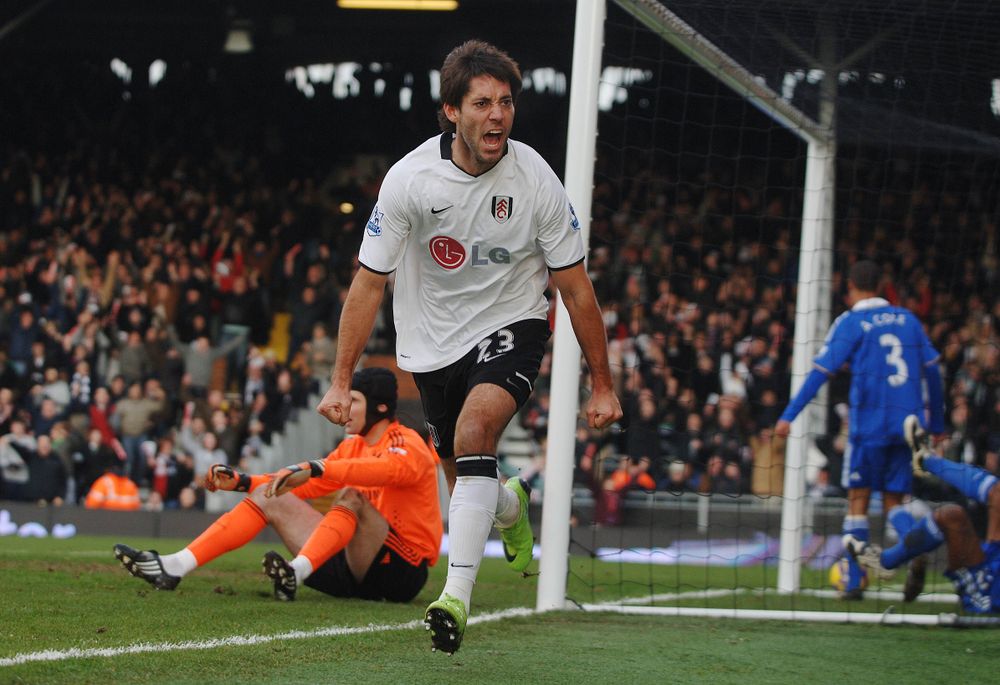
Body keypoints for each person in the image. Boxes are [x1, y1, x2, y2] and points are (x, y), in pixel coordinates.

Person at [314, 40, 623, 654]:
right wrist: (340, 379)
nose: (498, 116)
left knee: (476, 433)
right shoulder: (409, 180)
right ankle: (510, 507)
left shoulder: (535, 178)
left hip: (514, 323)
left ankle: (454, 597)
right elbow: (370, 281)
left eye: (506, 102)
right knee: (467, 479)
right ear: (451, 111)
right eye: (482, 103)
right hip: (432, 346)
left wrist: (602, 381)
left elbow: (576, 289)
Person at [112, 368, 442, 605]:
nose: (343, 409)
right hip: (351, 567)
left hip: (403, 572)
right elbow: (306, 484)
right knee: (269, 496)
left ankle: (295, 573)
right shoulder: (351, 446)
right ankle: (176, 565)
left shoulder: (407, 443)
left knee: (351, 495)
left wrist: (317, 467)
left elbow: (383, 471)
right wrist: (244, 482)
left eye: (352, 400)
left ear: (381, 407)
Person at [775, 259, 944, 599]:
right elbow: (933, 370)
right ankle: (916, 546)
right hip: (907, 426)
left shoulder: (852, 321)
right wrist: (936, 424)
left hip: (868, 426)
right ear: (881, 286)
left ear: (850, 287)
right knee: (895, 501)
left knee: (858, 501)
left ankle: (853, 581)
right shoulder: (909, 319)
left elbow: (822, 371)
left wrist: (788, 415)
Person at [846, 415, 1000, 613]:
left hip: (989, 597)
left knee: (894, 501)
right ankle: (926, 460)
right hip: (988, 564)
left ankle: (888, 560)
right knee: (952, 515)